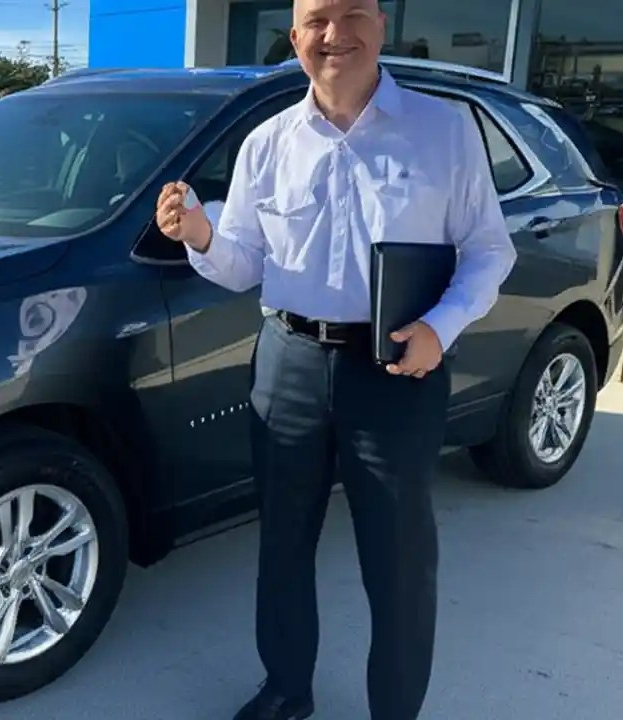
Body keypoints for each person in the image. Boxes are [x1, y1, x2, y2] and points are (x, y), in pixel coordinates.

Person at [154, 1, 517, 718]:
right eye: (317, 19)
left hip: (396, 370)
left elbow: (487, 249)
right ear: (294, 39)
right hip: (286, 363)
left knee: (400, 558)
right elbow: (244, 263)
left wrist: (441, 328)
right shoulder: (266, 143)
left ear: (381, 26)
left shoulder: (444, 132)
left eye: (353, 13)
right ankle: (287, 689)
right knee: (283, 546)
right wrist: (200, 233)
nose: (334, 33)